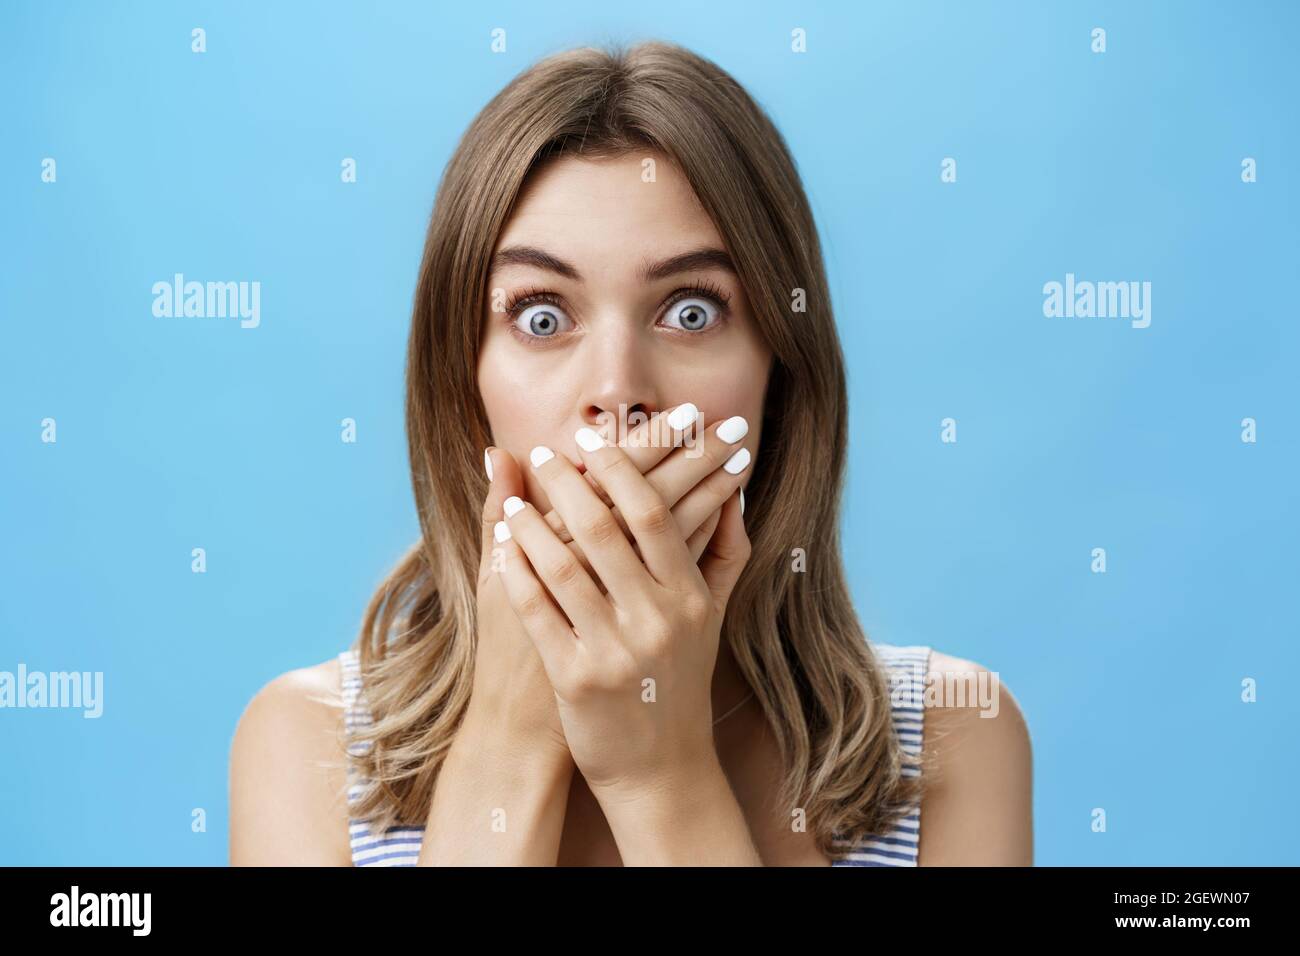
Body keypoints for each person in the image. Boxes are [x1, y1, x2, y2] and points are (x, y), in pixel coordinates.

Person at [230, 40, 1032, 866]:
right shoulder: (306, 745)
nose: (617, 391)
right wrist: (509, 739)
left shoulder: (954, 737)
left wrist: (661, 771)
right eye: (542, 316)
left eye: (690, 312)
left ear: (779, 373)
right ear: (464, 382)